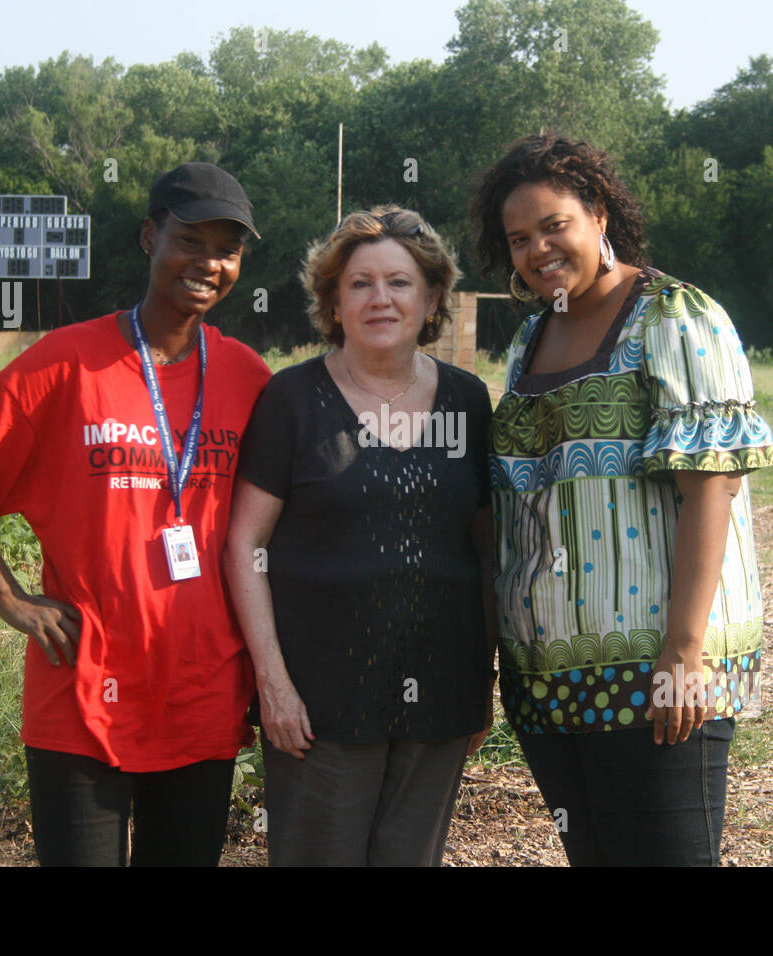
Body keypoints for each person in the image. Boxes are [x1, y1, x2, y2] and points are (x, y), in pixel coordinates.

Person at [0, 162, 272, 866]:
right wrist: (8, 598)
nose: (209, 263)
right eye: (191, 239)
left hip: (201, 691)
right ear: (149, 237)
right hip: (80, 686)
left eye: (228, 249)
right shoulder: (67, 362)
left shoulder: (249, 378)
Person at [469, 133, 773, 866]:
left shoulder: (674, 317)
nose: (538, 250)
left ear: (599, 214)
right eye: (519, 239)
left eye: (555, 226)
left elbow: (712, 485)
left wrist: (684, 652)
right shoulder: (528, 342)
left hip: (655, 677)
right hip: (549, 680)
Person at [224, 206, 496, 866]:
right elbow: (244, 546)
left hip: (440, 692)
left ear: (431, 296)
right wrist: (273, 684)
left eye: (399, 283)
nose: (381, 299)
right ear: (333, 300)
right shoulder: (293, 399)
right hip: (320, 701)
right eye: (360, 283)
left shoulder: (466, 400)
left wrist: (482, 677)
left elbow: (485, 547)